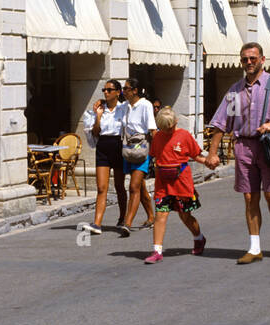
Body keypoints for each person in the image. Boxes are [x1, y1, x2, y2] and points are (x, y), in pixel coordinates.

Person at [205, 42, 270, 264]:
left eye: (253, 58)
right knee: (250, 197)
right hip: (244, 147)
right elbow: (221, 122)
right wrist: (212, 153)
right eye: (245, 59)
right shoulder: (235, 91)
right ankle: (255, 248)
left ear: (262, 60)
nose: (248, 62)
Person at [143, 105, 208, 263]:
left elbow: (196, 155)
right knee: (161, 215)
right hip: (163, 183)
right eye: (163, 129)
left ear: (176, 122)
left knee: (185, 215)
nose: (166, 131)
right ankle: (157, 251)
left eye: (169, 128)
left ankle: (199, 238)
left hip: (181, 182)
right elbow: (154, 156)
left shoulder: (184, 135)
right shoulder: (158, 137)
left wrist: (208, 162)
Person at [80, 79, 127, 235]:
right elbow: (95, 133)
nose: (106, 92)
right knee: (101, 188)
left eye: (109, 90)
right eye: (104, 90)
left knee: (120, 186)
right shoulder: (99, 109)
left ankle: (122, 218)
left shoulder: (123, 108)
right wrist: (98, 117)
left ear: (117, 92)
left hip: (118, 146)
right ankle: (97, 223)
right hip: (103, 147)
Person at [117, 79, 157, 235]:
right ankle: (151, 216)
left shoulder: (145, 105)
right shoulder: (126, 106)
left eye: (126, 89)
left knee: (133, 186)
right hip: (128, 148)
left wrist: (158, 154)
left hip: (142, 149)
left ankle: (128, 222)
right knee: (140, 186)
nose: (123, 92)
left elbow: (152, 129)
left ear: (135, 90)